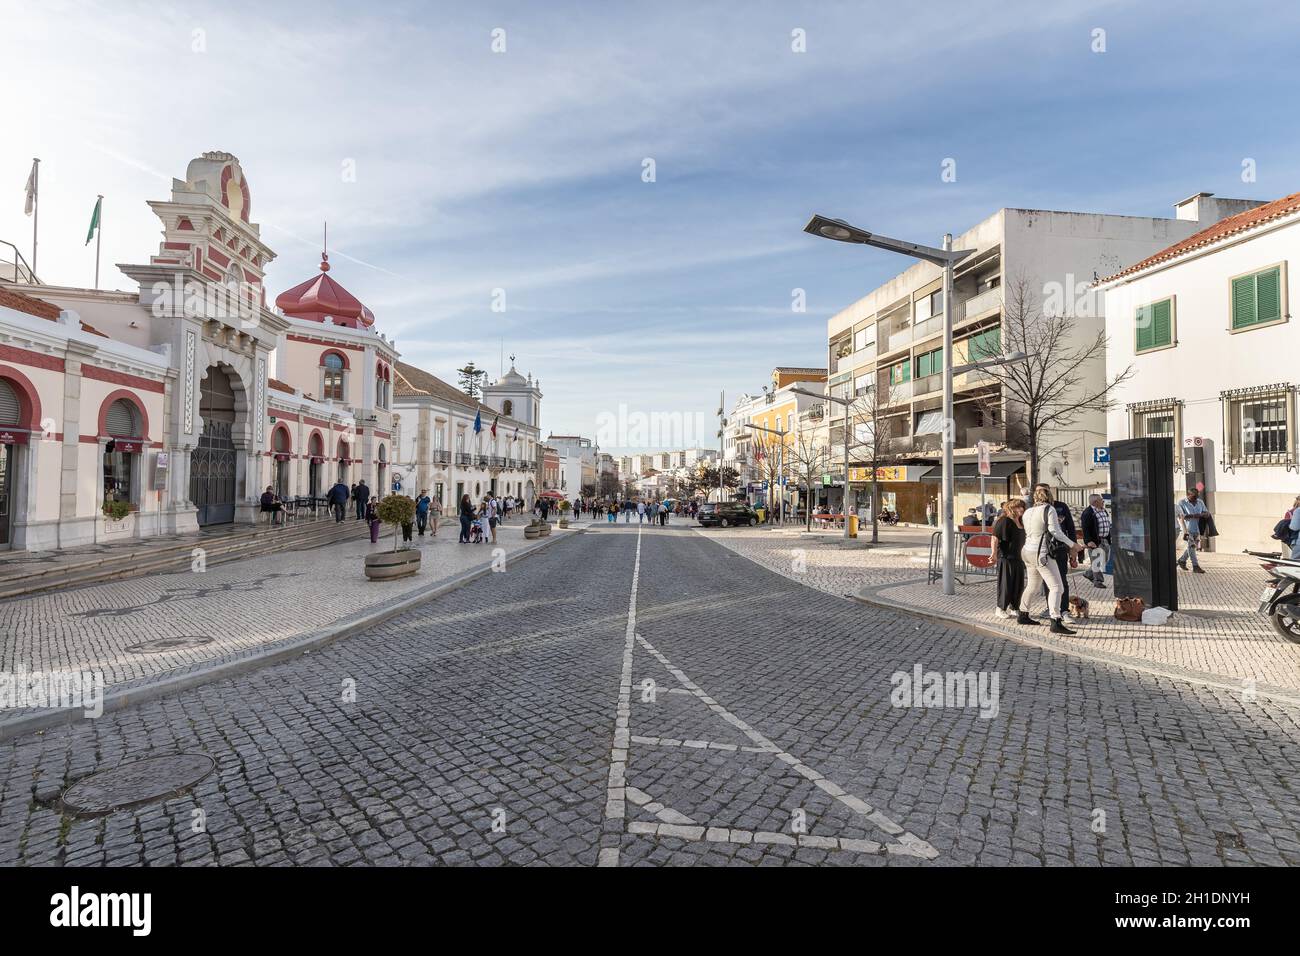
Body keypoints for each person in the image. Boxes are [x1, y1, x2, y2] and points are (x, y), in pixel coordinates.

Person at [1019, 485, 1085, 634]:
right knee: (1057, 587)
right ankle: (1055, 620)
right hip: (1041, 553)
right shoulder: (1049, 509)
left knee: (1033, 585)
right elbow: (1056, 531)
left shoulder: (1028, 511)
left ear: (1035, 498)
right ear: (1049, 497)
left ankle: (1023, 614)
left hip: (1027, 551)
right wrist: (1073, 545)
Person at [1034, 483, 1076, 617]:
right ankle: (1051, 608)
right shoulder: (1034, 509)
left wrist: (1073, 549)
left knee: (1062, 579)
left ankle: (1064, 610)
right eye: (1038, 492)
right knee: (1048, 581)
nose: (1041, 494)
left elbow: (1070, 527)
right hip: (1043, 549)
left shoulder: (1061, 506)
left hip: (1060, 548)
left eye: (1043, 491)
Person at [990, 499, 1027, 619]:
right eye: (1018, 507)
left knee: (1018, 584)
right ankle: (1000, 608)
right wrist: (994, 554)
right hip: (1006, 557)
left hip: (1019, 558)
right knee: (1006, 584)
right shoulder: (1004, 521)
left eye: (1022, 507)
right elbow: (995, 538)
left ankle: (1014, 607)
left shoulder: (1022, 521)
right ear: (1011, 508)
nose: (1021, 509)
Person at [1080, 494, 1112, 589]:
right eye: (1101, 500)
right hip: (1095, 541)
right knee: (1097, 561)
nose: (1103, 501)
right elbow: (1085, 529)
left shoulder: (1103, 510)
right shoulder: (1088, 513)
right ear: (1095, 502)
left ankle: (1088, 573)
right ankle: (1098, 581)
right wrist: (1088, 541)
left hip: (1105, 539)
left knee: (1104, 561)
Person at [1176, 489, 1209, 573]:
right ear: (1188, 495)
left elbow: (1206, 513)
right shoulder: (1182, 503)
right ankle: (1195, 566)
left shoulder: (1200, 502)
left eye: (1197, 496)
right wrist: (1194, 515)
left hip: (1198, 528)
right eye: (1194, 497)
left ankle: (1181, 561)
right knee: (1192, 546)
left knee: (1191, 547)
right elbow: (1182, 517)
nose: (1196, 498)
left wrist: (1203, 515)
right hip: (1187, 529)